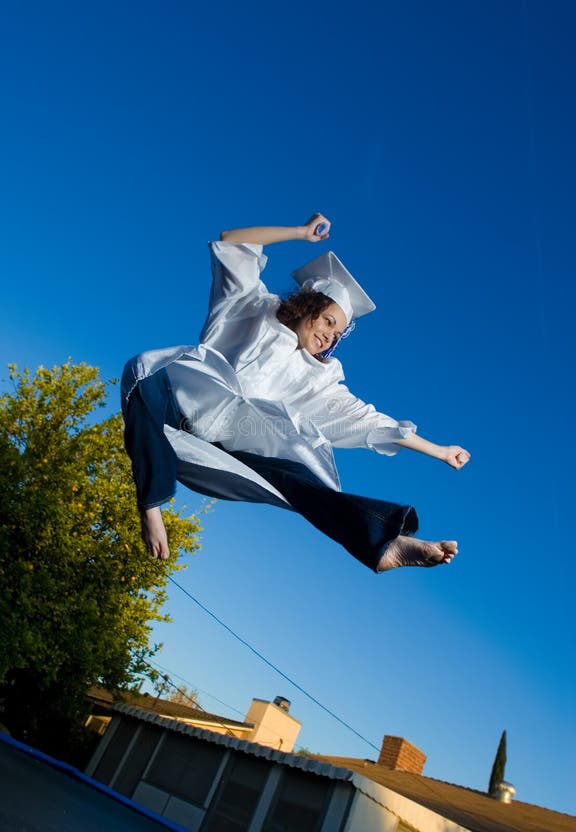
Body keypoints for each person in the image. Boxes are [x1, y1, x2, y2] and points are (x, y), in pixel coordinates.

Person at [122, 213, 470, 572]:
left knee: (300, 480)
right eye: (328, 322)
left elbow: (369, 422)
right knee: (143, 369)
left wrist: (440, 451)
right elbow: (232, 241)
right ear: (310, 306)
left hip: (222, 450)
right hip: (169, 411)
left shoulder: (316, 379)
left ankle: (385, 544)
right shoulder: (249, 306)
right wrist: (301, 233)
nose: (328, 336)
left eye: (336, 336)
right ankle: (151, 505)